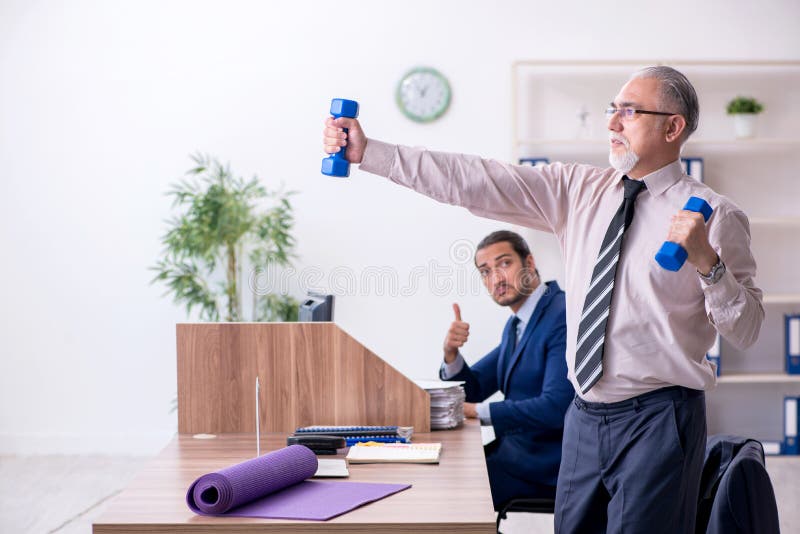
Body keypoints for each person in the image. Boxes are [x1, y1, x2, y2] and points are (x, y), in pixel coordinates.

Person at [322, 65, 764, 532]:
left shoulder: (716, 216)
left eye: (629, 112)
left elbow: (748, 327)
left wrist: (707, 263)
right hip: (584, 415)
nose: (612, 123)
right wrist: (370, 153)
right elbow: (473, 178)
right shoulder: (579, 191)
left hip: (659, 419)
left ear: (673, 127)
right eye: (612, 110)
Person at [439, 230, 573, 510]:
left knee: (448, 495)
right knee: (444, 474)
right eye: (486, 271)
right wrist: (451, 354)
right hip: (515, 457)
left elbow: (557, 406)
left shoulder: (560, 314)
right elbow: (474, 388)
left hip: (544, 467)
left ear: (529, 262)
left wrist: (477, 412)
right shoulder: (518, 324)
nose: (496, 279)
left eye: (504, 264)